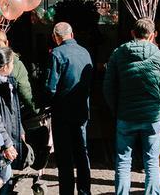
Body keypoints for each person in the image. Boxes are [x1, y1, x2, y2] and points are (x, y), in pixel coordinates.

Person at [105, 18, 160, 195]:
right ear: (152, 35)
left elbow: (108, 86)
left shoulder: (118, 54)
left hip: (126, 115)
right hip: (152, 116)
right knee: (152, 161)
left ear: (132, 33)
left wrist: (116, 110)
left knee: (123, 161)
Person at [46, 22, 94, 195]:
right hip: (81, 110)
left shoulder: (57, 54)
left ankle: (66, 191)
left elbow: (51, 87)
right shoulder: (85, 52)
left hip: (62, 112)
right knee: (82, 153)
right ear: (72, 34)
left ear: (55, 37)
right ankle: (84, 191)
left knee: (65, 156)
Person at [0, 30, 37, 116]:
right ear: (7, 43)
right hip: (9, 113)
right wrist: (35, 109)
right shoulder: (15, 62)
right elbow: (25, 92)